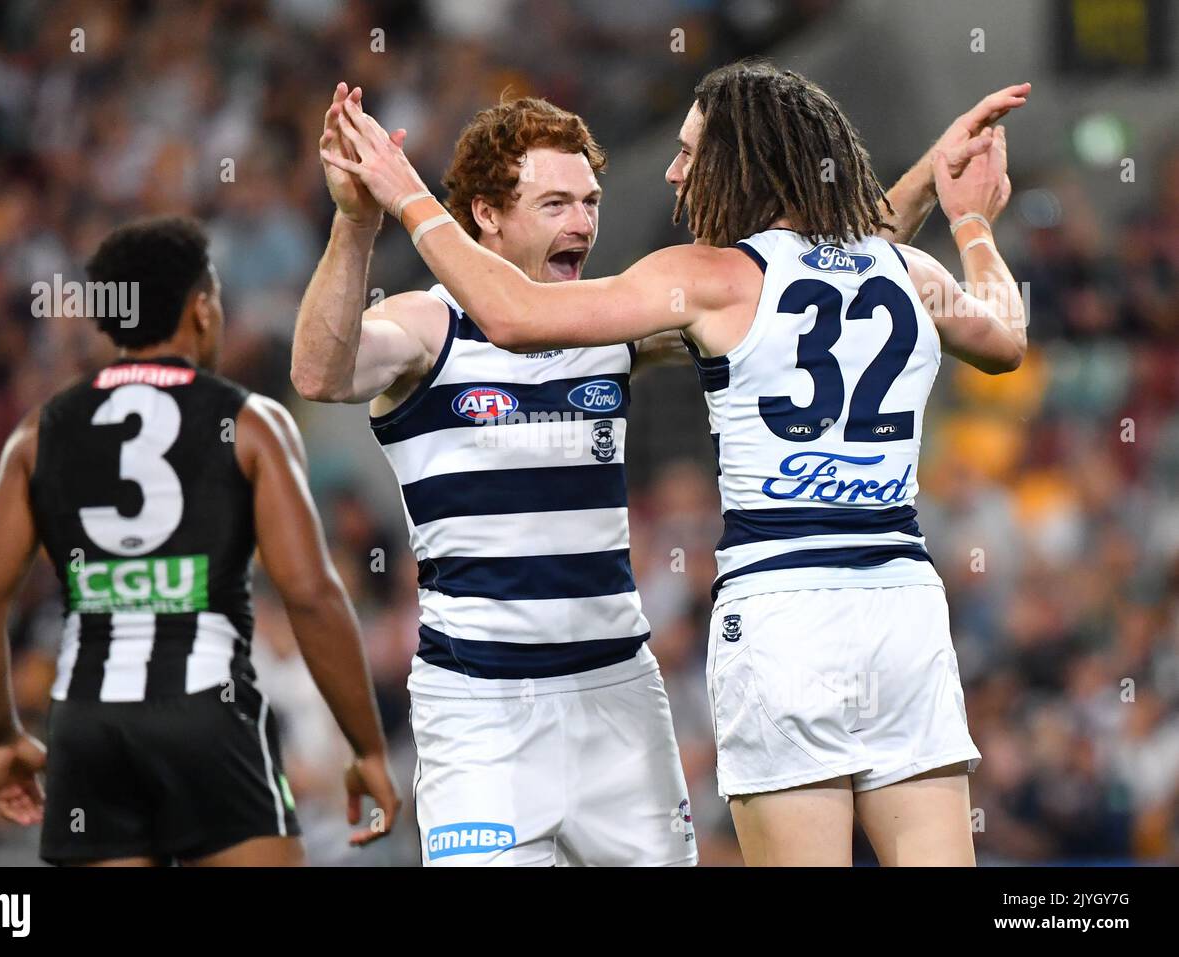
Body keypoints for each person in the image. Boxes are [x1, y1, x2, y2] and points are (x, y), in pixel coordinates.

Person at [306, 71, 1026, 865]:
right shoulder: (425, 326)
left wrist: (404, 193)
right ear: (489, 214)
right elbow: (321, 374)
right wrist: (967, 216)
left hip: (686, 657)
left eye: (590, 202)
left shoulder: (672, 295)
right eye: (556, 204)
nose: (588, 217)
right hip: (497, 701)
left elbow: (523, 315)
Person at [0, 216, 399, 866]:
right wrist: (367, 748)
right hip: (208, 714)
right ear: (200, 308)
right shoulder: (252, 421)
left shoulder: (39, 432)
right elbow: (310, 594)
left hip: (89, 723)